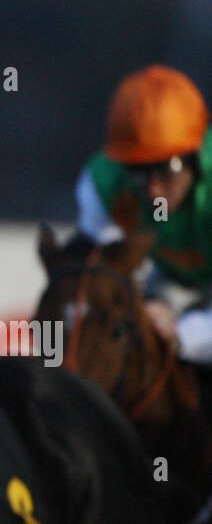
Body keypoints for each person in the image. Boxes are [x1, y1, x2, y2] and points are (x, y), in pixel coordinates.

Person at [74, 65, 212, 362]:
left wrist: (182, 333)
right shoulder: (103, 182)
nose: (153, 191)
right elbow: (104, 276)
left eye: (168, 171)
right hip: (167, 279)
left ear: (196, 157)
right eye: (139, 173)